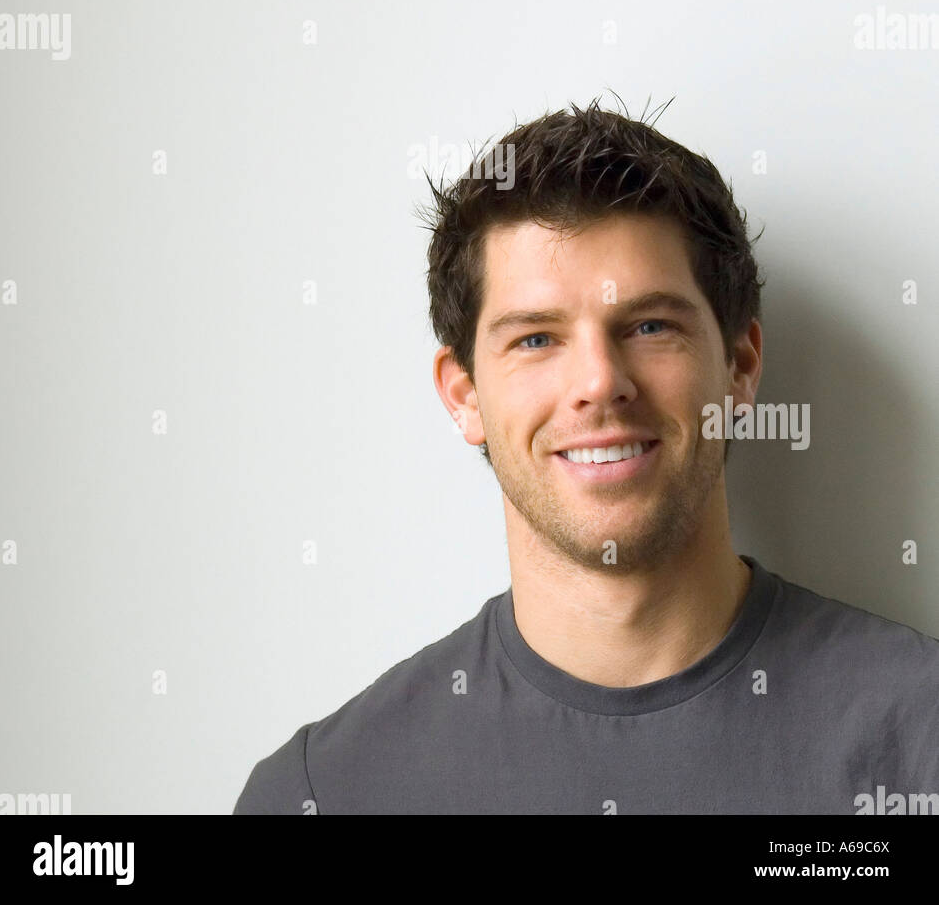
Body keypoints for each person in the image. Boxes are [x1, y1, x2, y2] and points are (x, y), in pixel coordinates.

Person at [233, 96, 939, 815]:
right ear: (464, 396)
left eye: (650, 325)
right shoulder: (324, 795)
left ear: (739, 367)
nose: (600, 382)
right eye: (536, 338)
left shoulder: (921, 743)